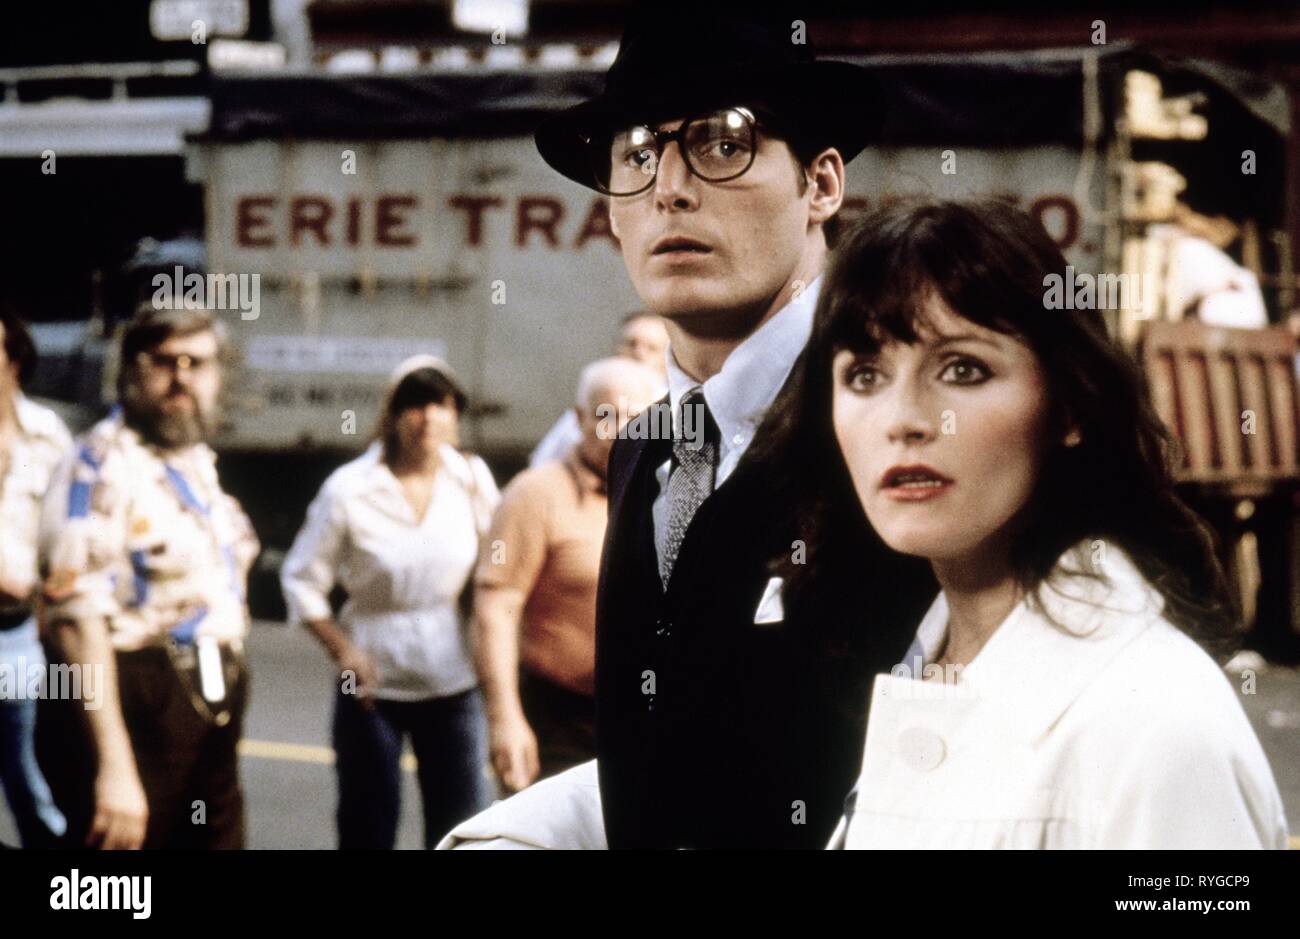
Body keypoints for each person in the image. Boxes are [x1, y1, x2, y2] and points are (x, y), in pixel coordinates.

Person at [440, 6, 936, 850]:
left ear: (820, 186)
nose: (668, 184)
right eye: (636, 153)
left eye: (721, 141)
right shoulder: (643, 451)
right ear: (612, 214)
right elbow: (663, 759)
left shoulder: (900, 433)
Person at [767, 198, 1287, 848]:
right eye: (865, 374)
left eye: (963, 368)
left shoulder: (1158, 720)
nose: (904, 418)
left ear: (1069, 407)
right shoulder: (911, 668)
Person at [37, 306, 260, 850]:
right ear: (133, 371)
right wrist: (114, 769)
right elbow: (73, 621)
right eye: (165, 363)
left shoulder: (193, 463)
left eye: (197, 364)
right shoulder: (96, 467)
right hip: (132, 703)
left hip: (208, 703)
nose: (182, 378)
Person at [281, 354, 498, 849]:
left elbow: (497, 571)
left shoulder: (470, 479)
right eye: (415, 405)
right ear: (393, 415)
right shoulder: (351, 489)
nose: (429, 419)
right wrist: (345, 652)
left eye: (442, 406)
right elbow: (301, 579)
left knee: (461, 825)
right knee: (367, 822)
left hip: (452, 678)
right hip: (372, 688)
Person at [476, 357, 664, 792]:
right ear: (579, 419)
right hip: (558, 722)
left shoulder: (670, 492)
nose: (620, 429)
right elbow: (497, 607)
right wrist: (505, 717)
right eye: (605, 415)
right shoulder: (536, 493)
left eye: (636, 417)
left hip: (646, 717)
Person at [0, 308, 70, 848]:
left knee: (28, 773)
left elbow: (70, 529)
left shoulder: (47, 436)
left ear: (15, 361)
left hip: (18, 633)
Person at [528, 312, 669, 468]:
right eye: (631, 344)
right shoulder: (589, 406)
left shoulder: (677, 411)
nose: (639, 353)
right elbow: (543, 462)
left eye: (652, 348)